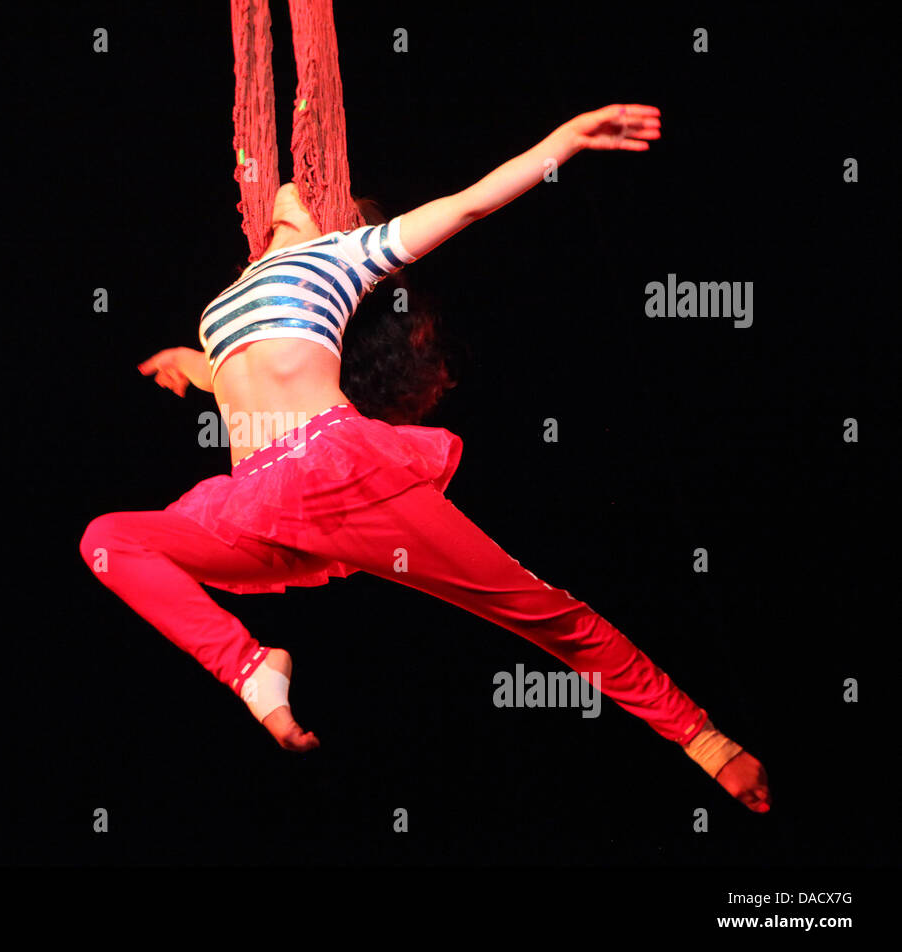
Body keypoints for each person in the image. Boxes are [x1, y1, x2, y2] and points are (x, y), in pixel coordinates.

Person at [81, 104, 771, 813]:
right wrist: (188, 362)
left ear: (341, 224)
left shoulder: (344, 257)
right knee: (108, 540)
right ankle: (254, 669)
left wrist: (562, 142)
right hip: (254, 509)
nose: (298, 189)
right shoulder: (224, 300)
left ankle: (704, 740)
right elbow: (237, 365)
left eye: (325, 196)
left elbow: (469, 204)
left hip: (342, 479)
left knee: (535, 608)